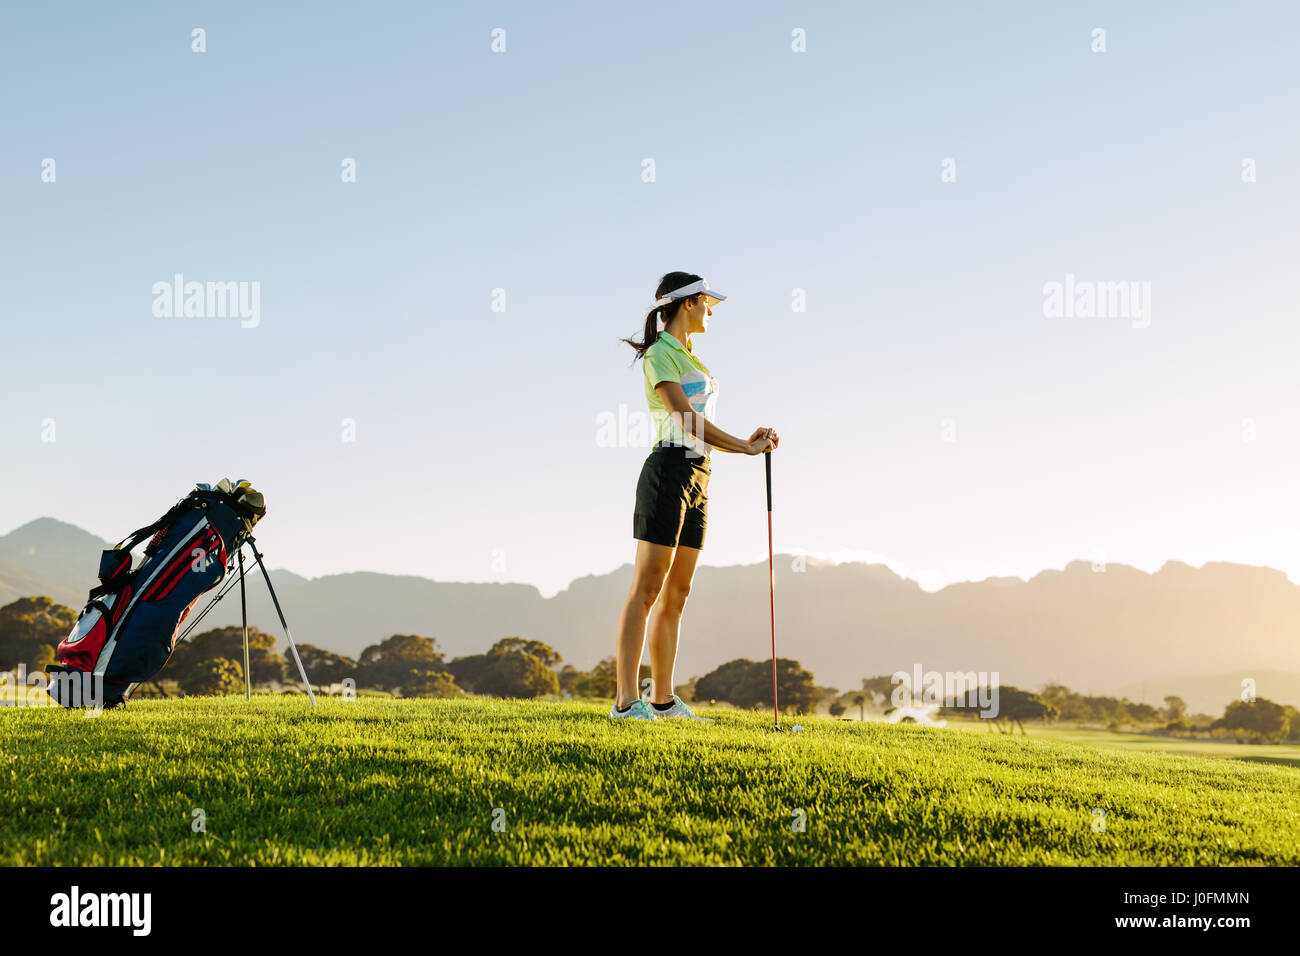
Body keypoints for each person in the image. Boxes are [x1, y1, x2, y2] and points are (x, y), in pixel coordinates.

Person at [612, 272, 779, 721]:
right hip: (667, 469)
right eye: (708, 303)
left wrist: (746, 441)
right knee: (647, 588)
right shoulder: (660, 354)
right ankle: (627, 702)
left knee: (678, 591)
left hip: (698, 475)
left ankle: (664, 701)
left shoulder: (690, 357)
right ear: (689, 303)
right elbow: (684, 419)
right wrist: (744, 445)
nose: (711, 312)